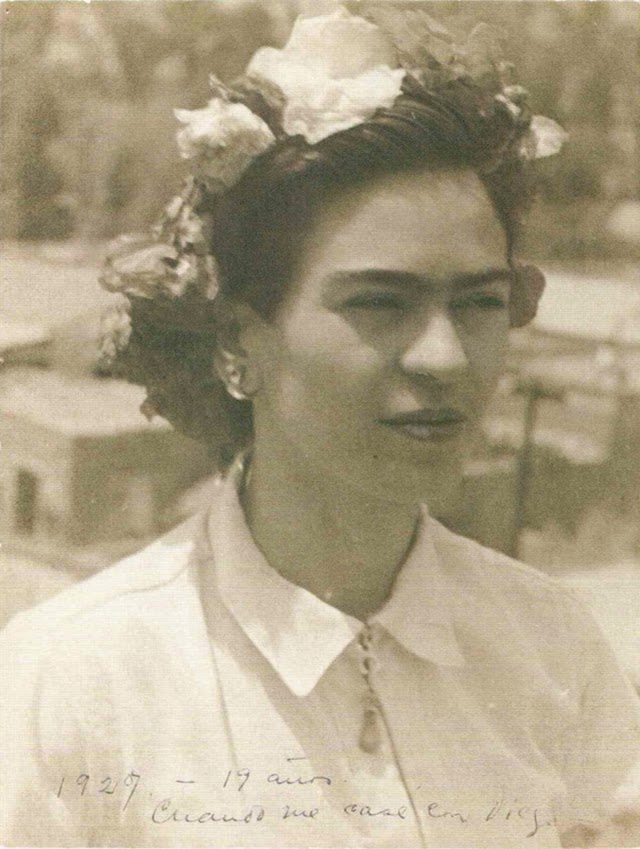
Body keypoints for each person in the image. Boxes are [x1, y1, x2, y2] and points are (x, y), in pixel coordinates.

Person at [2, 7, 639, 848]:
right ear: (238, 340)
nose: (446, 357)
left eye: (481, 301)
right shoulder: (78, 678)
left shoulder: (552, 649)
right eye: (379, 302)